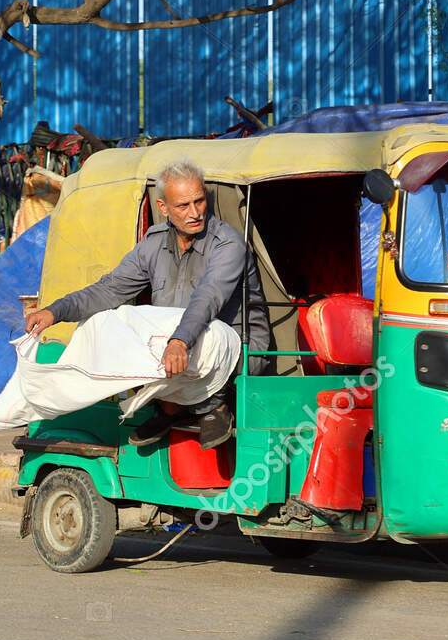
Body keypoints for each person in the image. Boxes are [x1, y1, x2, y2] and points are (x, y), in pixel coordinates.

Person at [23, 159, 271, 448]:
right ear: (164, 208)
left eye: (199, 201)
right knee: (106, 323)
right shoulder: (153, 243)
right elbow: (110, 289)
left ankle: (208, 406)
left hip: (237, 349)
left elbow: (207, 299)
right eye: (183, 206)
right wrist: (56, 311)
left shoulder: (228, 243)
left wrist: (179, 341)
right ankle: (168, 408)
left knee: (209, 334)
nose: (195, 213)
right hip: (176, 348)